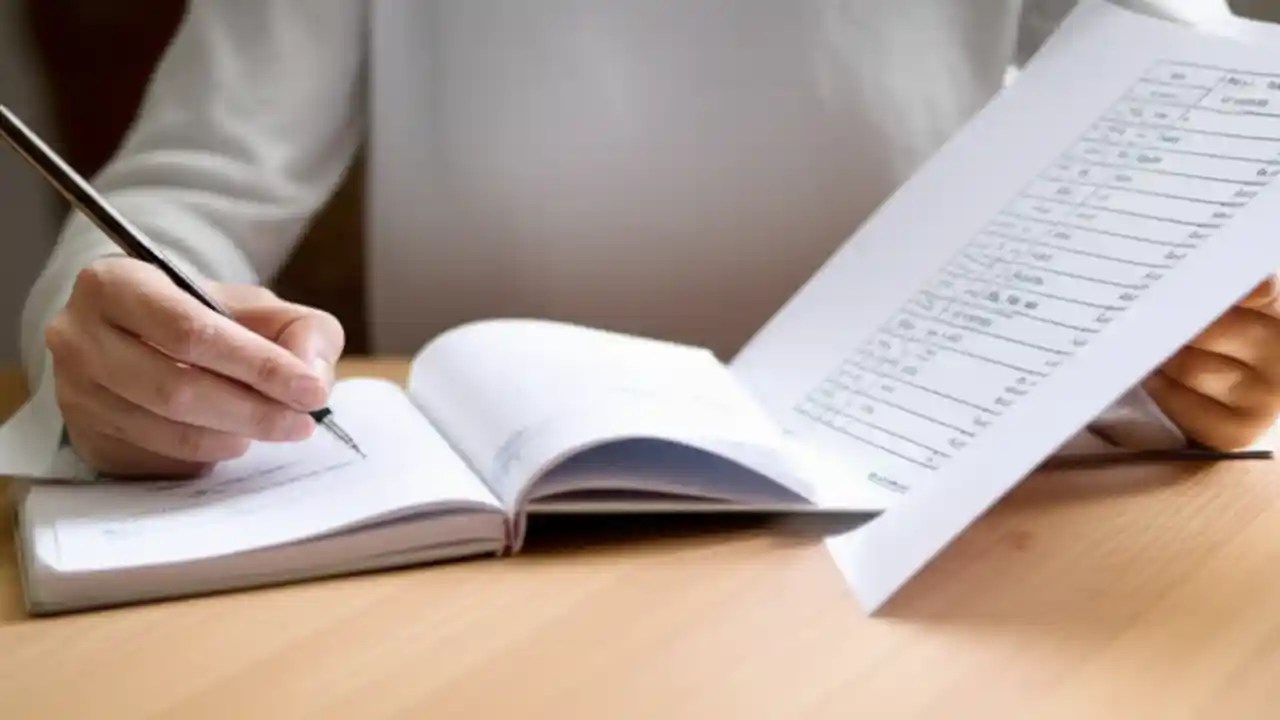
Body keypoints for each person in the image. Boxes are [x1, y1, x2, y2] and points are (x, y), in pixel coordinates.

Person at [19, 0, 1280, 477]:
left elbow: (1190, 121)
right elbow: (191, 183)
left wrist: (1233, 347)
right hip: (478, 544)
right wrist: (111, 334)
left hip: (941, 507)